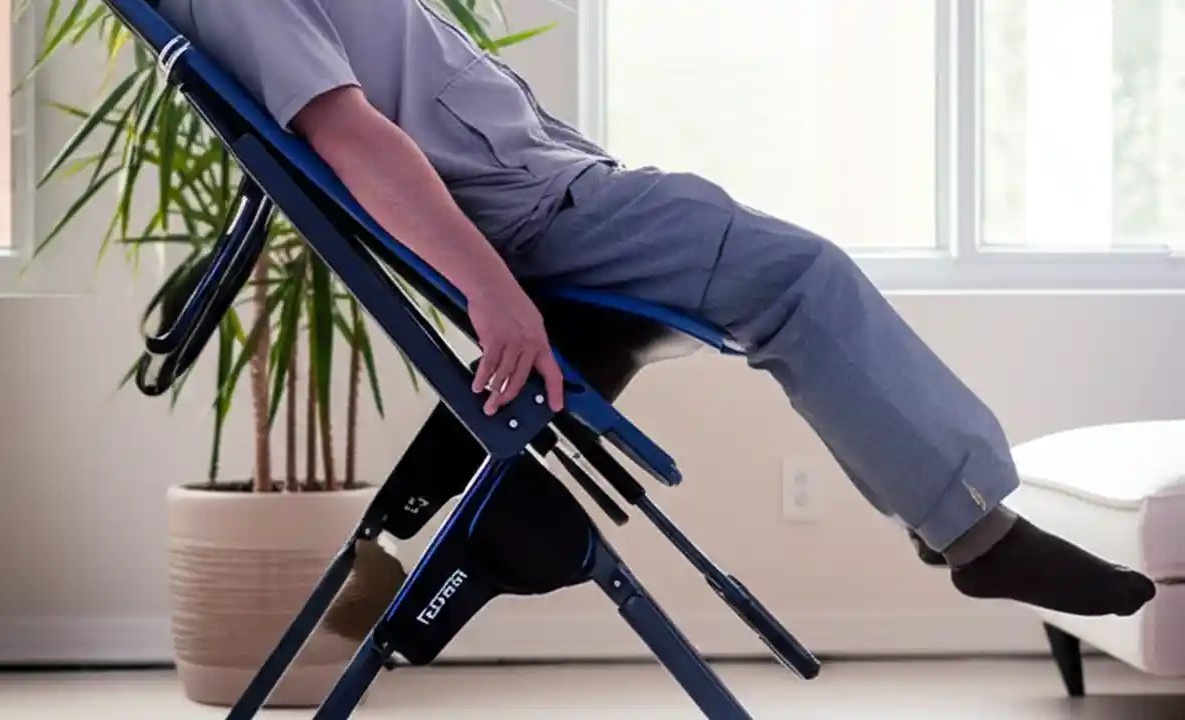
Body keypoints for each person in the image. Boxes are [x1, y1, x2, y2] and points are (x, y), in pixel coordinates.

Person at [160, 0, 1156, 619]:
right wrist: (492, 293)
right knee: (797, 279)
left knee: (785, 273)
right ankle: (977, 537)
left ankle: (959, 518)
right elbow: (347, 133)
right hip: (544, 215)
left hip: (555, 190)